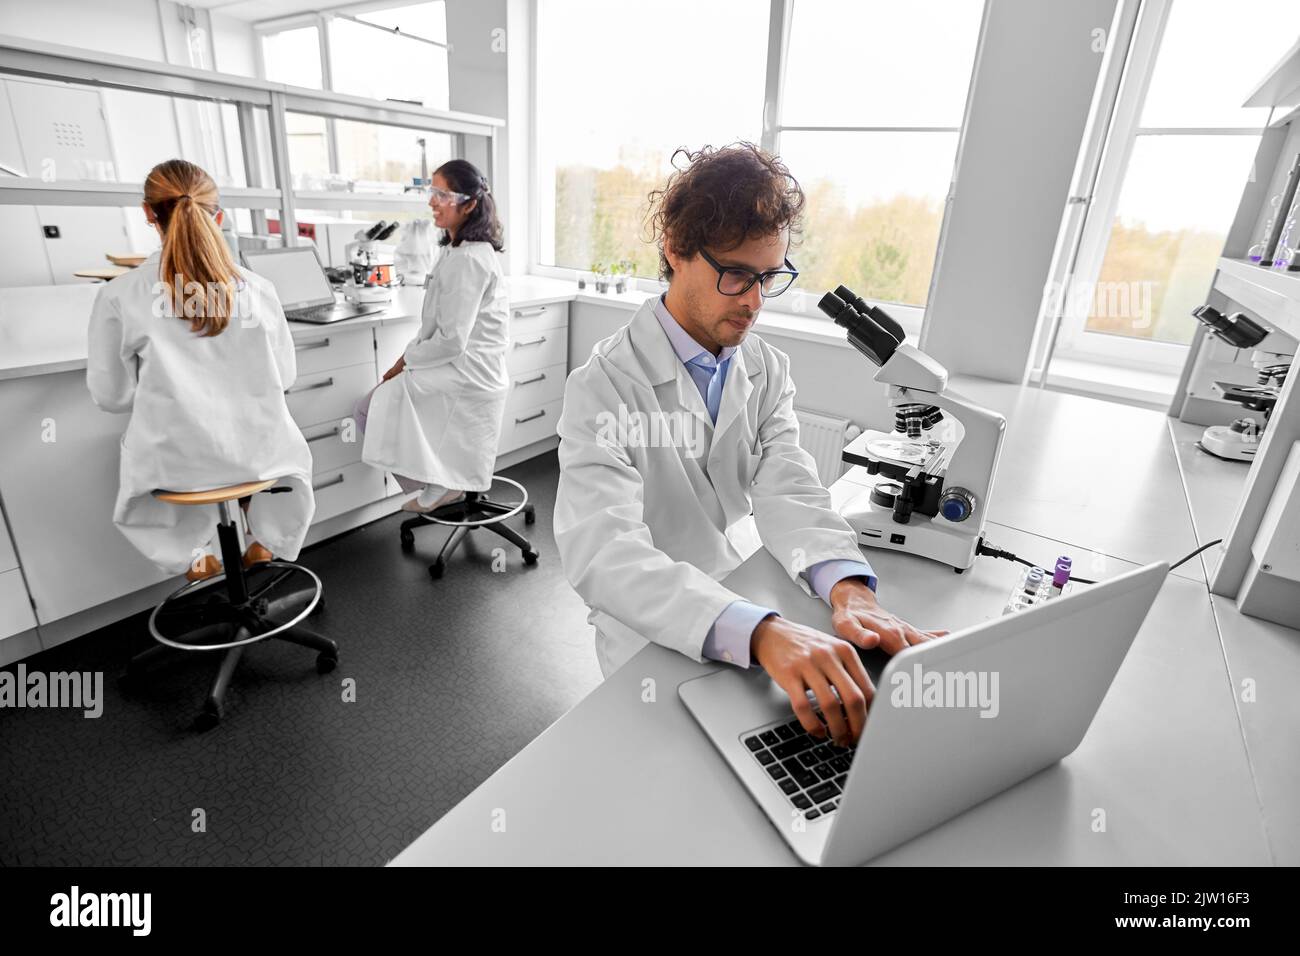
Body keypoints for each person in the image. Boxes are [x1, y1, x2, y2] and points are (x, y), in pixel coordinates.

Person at [554, 143, 945, 747]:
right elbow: (602, 554)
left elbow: (787, 482)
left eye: (770, 277)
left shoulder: (764, 367)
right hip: (652, 628)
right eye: (736, 274)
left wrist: (847, 590)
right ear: (676, 249)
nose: (755, 302)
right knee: (667, 778)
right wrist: (759, 632)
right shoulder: (604, 387)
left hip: (744, 595)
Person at [86, 158, 314, 580]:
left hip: (179, 469)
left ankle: (193, 556)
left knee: (159, 448)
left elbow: (111, 397)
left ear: (148, 213)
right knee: (250, 446)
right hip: (262, 461)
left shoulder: (121, 295)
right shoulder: (258, 290)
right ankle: (266, 539)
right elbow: (285, 379)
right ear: (219, 216)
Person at [356, 159, 509, 513]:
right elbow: (437, 327)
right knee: (379, 404)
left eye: (443, 194)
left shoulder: (470, 259)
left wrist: (406, 361)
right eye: (432, 192)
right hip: (461, 364)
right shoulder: (455, 251)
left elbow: (451, 340)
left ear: (469, 204)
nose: (432, 202)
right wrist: (404, 361)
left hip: (467, 371)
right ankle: (442, 482)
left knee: (368, 409)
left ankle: (440, 485)